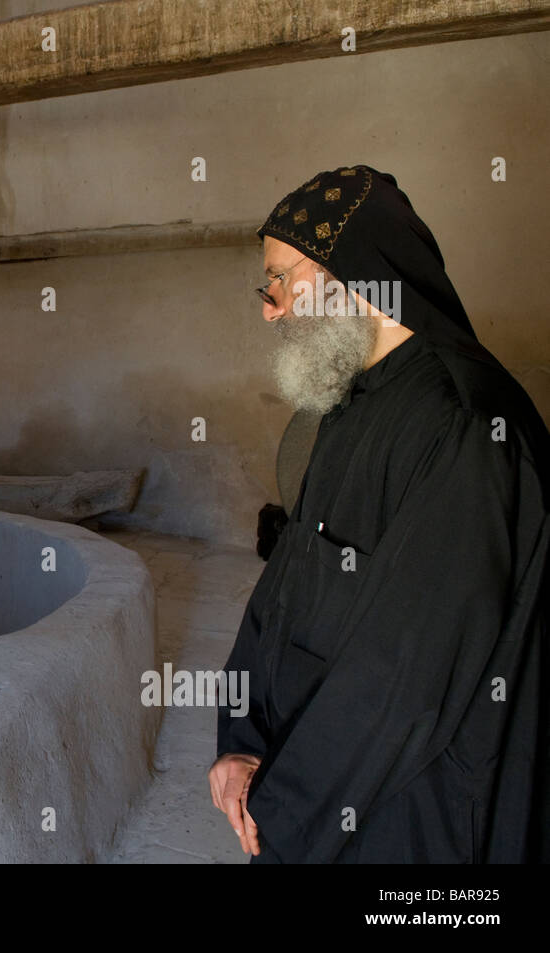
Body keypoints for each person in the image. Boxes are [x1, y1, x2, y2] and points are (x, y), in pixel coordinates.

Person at [209, 165, 549, 863]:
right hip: (310, 795)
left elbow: (407, 675)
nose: (269, 308)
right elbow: (282, 591)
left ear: (346, 270)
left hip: (408, 824)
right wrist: (240, 739)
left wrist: (283, 810)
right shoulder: (347, 403)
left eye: (278, 281)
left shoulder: (464, 424)